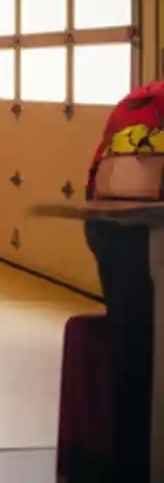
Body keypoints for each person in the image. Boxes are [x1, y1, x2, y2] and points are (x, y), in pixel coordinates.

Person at [81, 81, 163, 482]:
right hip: (133, 237)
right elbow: (128, 183)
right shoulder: (147, 104)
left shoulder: (142, 99)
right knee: (139, 353)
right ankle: (135, 462)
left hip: (117, 230)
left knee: (137, 351)